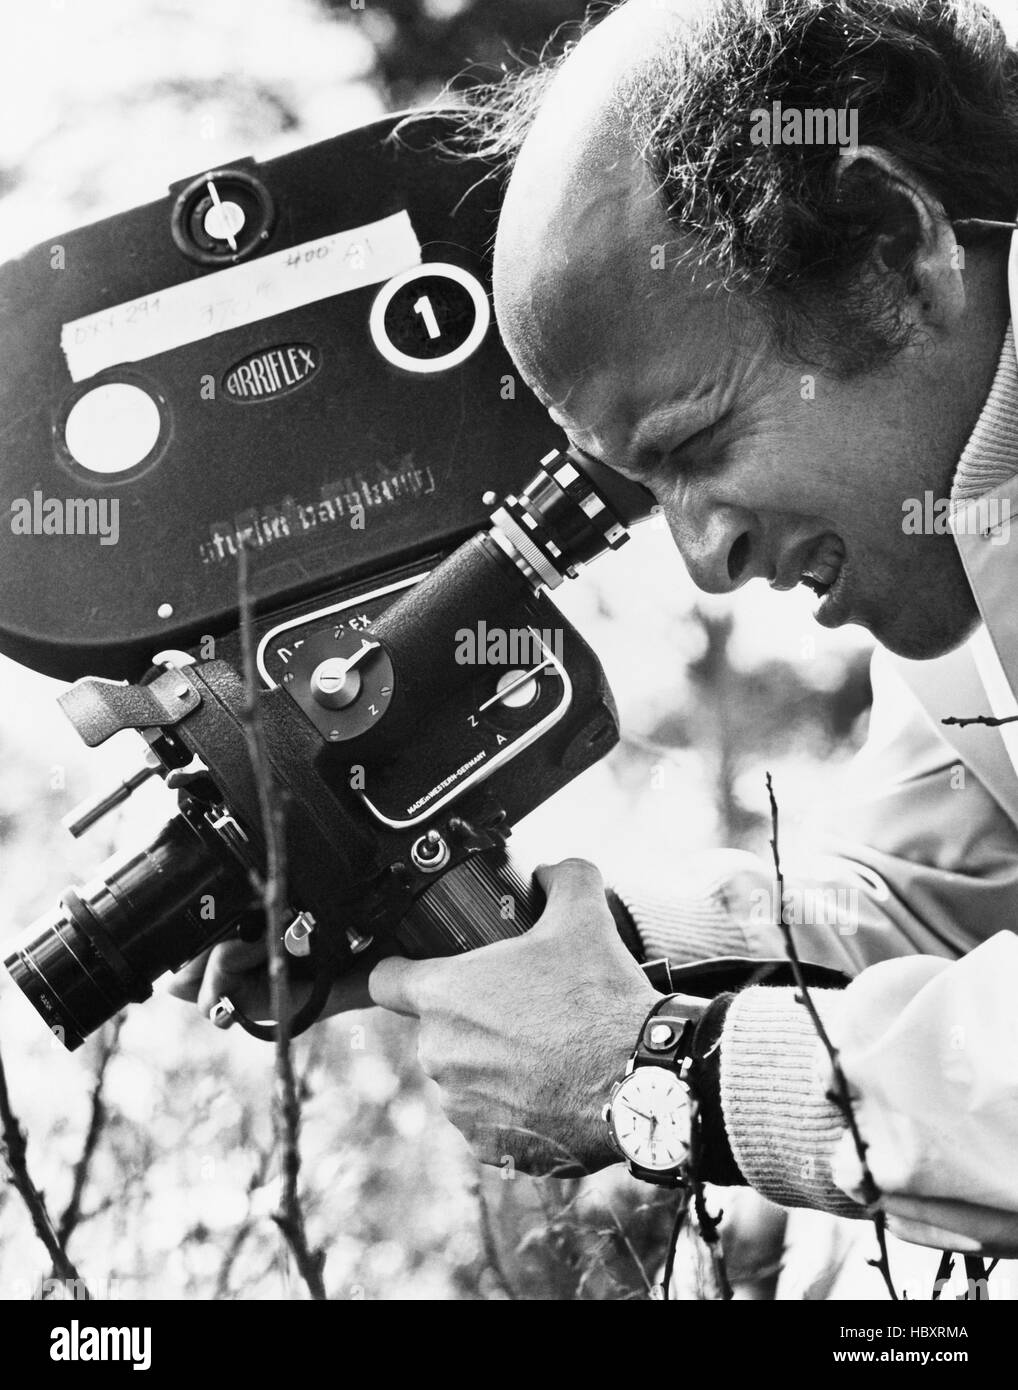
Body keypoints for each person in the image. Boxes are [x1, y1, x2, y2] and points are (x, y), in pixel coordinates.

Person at [172, 0, 1018, 1258]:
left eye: (696, 445)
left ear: (897, 244)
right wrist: (509, 939)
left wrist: (664, 1071)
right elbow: (942, 889)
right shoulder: (963, 517)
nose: (708, 559)